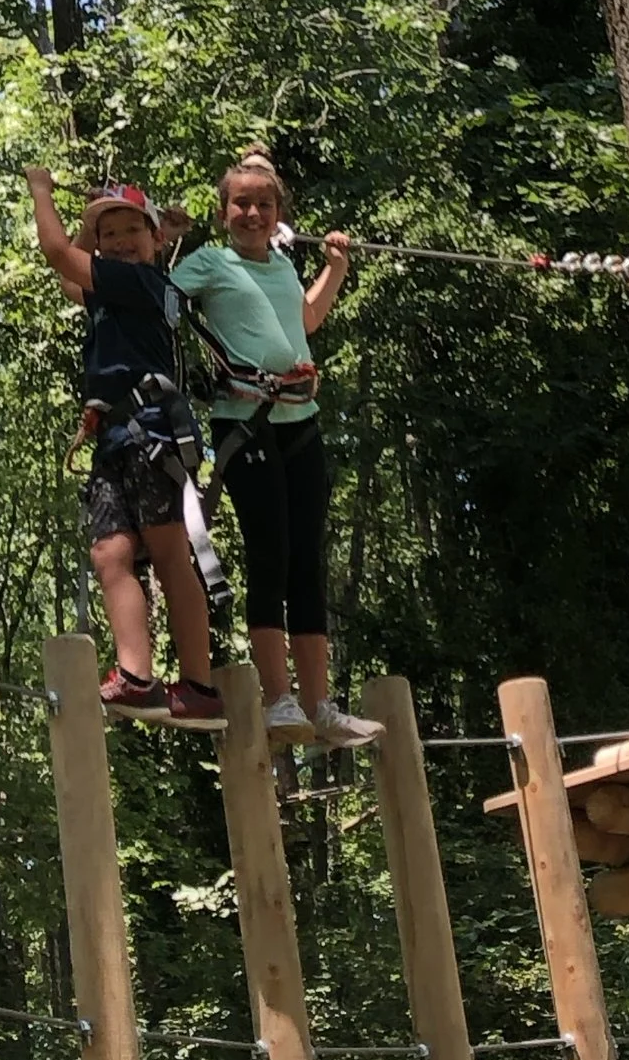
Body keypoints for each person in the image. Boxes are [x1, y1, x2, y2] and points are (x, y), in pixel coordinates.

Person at [168, 150, 381, 749]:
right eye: (241, 203)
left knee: (306, 562)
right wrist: (161, 237)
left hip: (301, 423)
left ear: (279, 212)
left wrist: (335, 267)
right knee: (272, 553)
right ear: (223, 212)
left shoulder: (285, 267)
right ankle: (278, 696)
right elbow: (154, 299)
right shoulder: (210, 263)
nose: (253, 213)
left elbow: (305, 321)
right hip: (247, 424)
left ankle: (321, 705)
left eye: (263, 204)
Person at [25, 168, 224, 729]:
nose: (115, 242)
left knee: (167, 555)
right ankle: (137, 677)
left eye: (130, 230)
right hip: (115, 441)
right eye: (107, 234)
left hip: (152, 434)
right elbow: (74, 276)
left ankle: (199, 684)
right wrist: (101, 216)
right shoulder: (112, 293)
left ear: (158, 240)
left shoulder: (145, 285)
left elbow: (60, 258)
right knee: (110, 554)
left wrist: (42, 192)